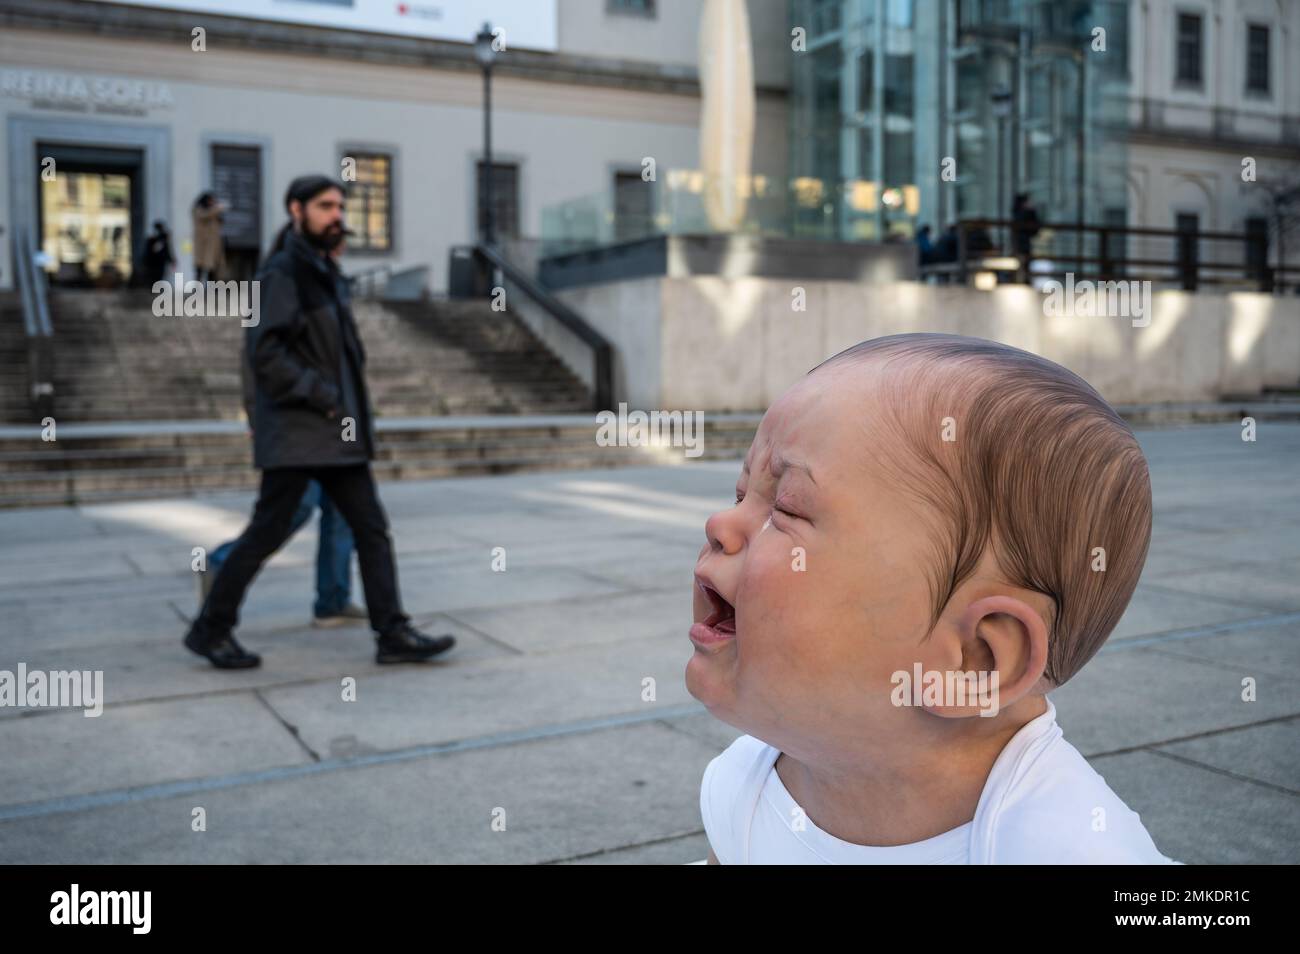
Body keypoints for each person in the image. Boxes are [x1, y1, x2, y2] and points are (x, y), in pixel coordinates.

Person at [690, 333, 1178, 864]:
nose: (722, 524)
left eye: (786, 508)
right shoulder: (751, 786)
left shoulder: (1067, 847)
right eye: (741, 495)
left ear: (974, 661)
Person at [184, 173, 453, 669]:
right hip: (302, 432)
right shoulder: (283, 272)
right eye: (326, 206)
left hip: (333, 432)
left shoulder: (322, 272)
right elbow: (265, 352)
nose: (337, 215)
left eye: (339, 207)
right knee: (269, 530)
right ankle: (210, 628)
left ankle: (391, 631)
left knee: (371, 529)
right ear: (296, 210)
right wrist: (323, 395)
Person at [192, 191, 226, 282]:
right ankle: (197, 289)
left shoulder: (214, 213)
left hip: (213, 246)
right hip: (202, 245)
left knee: (213, 268)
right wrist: (217, 209)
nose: (213, 203)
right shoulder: (199, 210)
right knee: (200, 268)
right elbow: (204, 216)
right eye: (211, 201)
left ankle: (212, 289)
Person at [136, 220, 175, 288]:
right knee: (154, 277)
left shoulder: (160, 239)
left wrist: (171, 260)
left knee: (158, 277)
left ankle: (156, 288)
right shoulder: (153, 240)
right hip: (153, 264)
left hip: (158, 263)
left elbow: (166, 251)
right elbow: (150, 251)